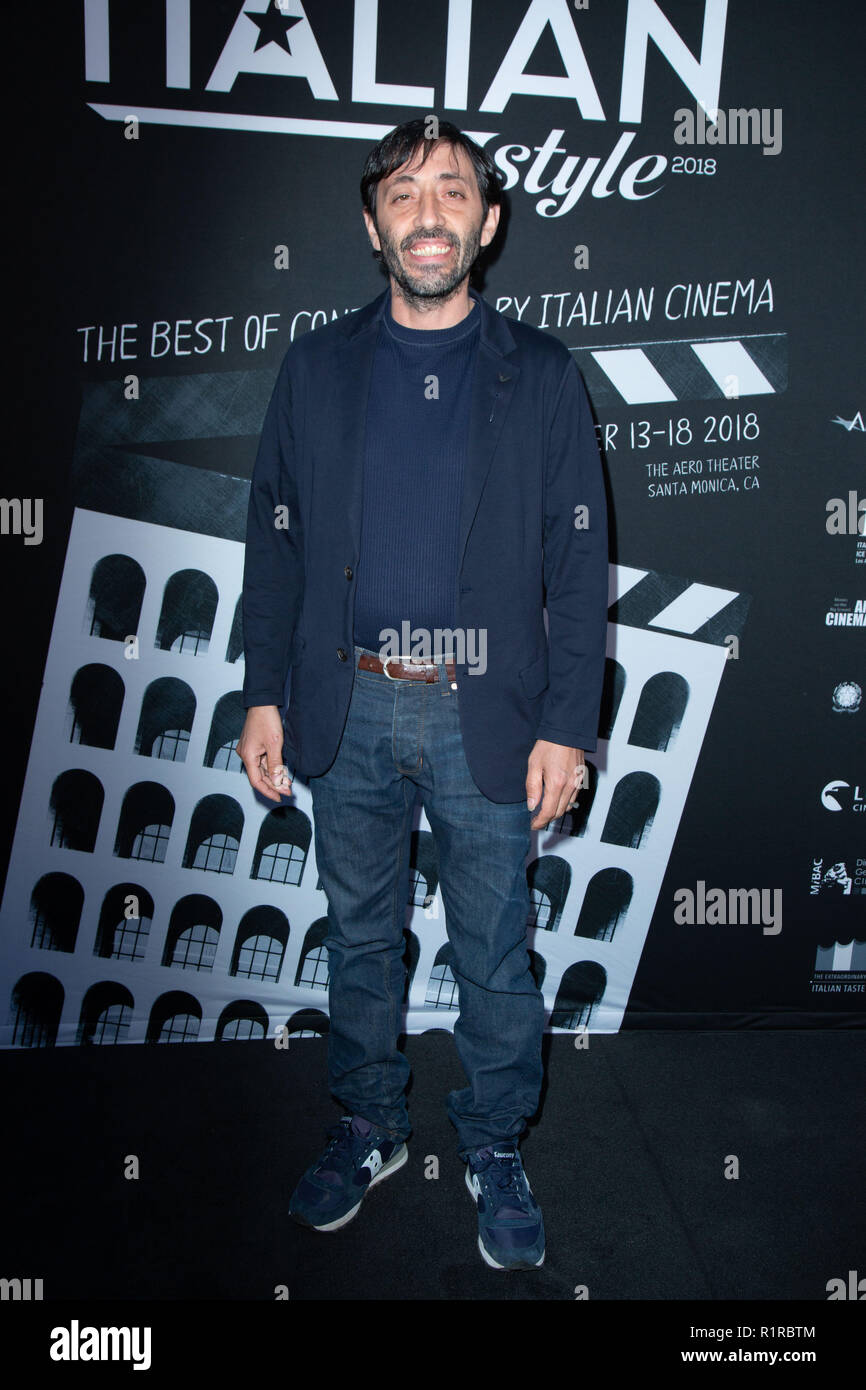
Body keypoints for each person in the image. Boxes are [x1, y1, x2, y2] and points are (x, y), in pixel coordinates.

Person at [236, 118, 609, 1272]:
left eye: (452, 191)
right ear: (372, 224)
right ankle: (369, 1124)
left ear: (487, 224)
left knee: (494, 953)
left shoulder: (543, 376)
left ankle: (493, 1141)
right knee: (358, 938)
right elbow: (275, 544)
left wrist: (566, 722)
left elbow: (577, 566)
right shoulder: (313, 367)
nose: (429, 211)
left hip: (482, 710)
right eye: (405, 193)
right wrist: (261, 694)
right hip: (341, 706)